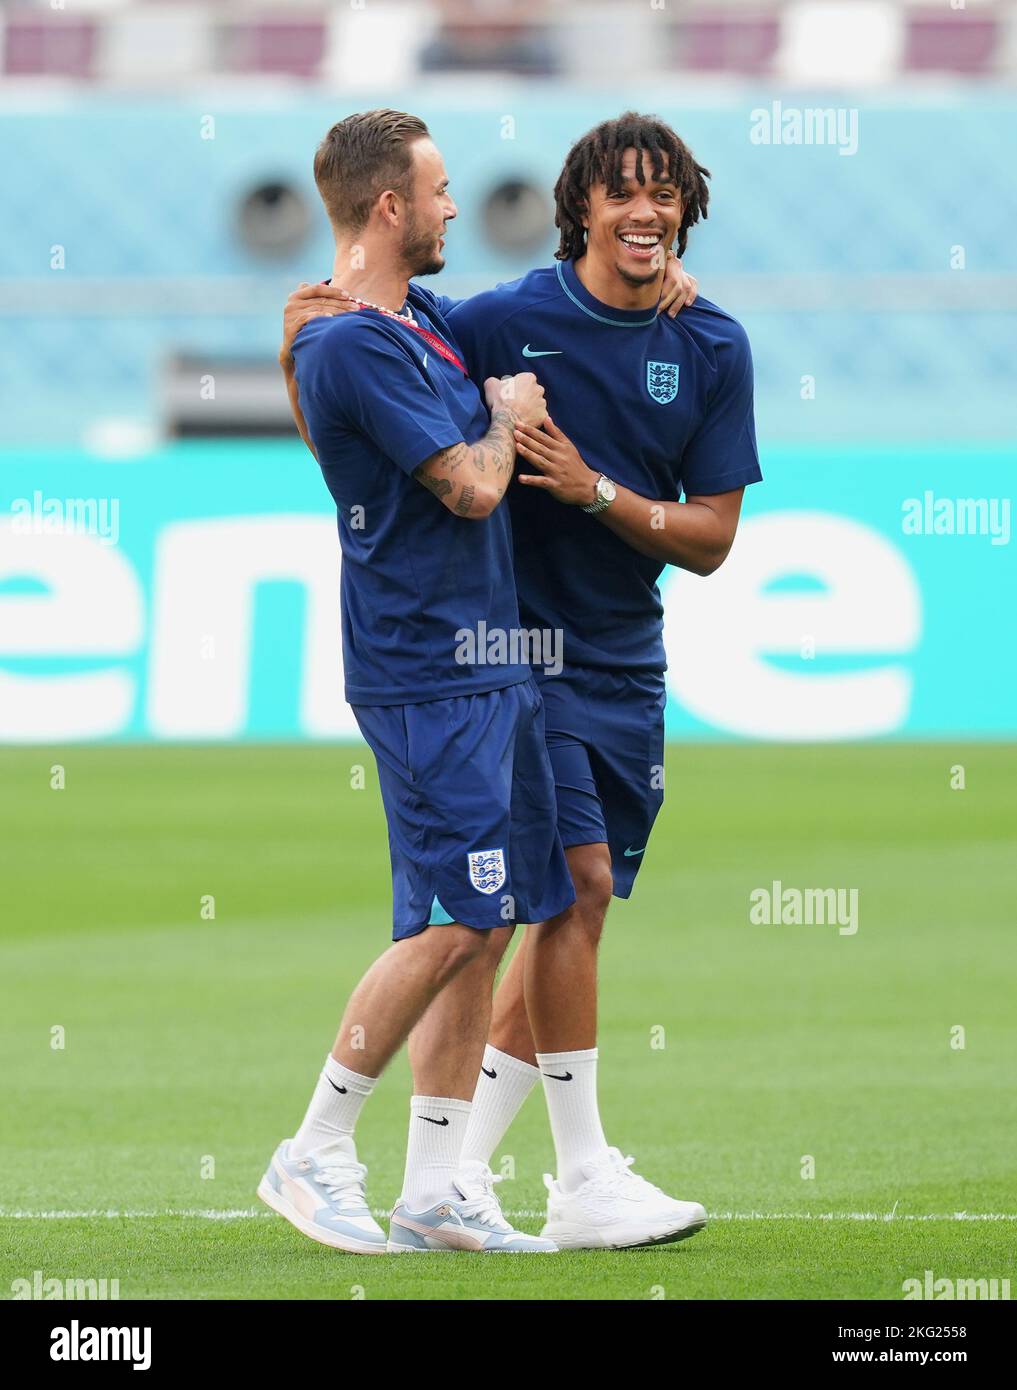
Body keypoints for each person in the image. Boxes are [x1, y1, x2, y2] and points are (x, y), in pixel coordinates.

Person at [280, 110, 761, 1249]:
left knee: (522, 909)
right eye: (621, 194)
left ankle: (447, 1179)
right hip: (468, 662)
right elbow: (438, 441)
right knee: (509, 903)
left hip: (572, 660)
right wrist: (508, 423)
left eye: (664, 196)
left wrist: (594, 483)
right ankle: (349, 1152)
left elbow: (712, 537)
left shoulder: (695, 342)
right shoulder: (472, 325)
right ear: (582, 208)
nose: (643, 213)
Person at [259, 108, 574, 1255]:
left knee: (485, 922)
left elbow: (525, 311)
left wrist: (658, 276)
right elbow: (472, 489)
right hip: (425, 667)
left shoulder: (413, 321)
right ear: (387, 206)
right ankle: (312, 1148)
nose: (453, 208)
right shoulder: (351, 346)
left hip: (488, 662)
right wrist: (505, 421)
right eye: (437, 192)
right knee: (454, 920)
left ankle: (438, 1185)